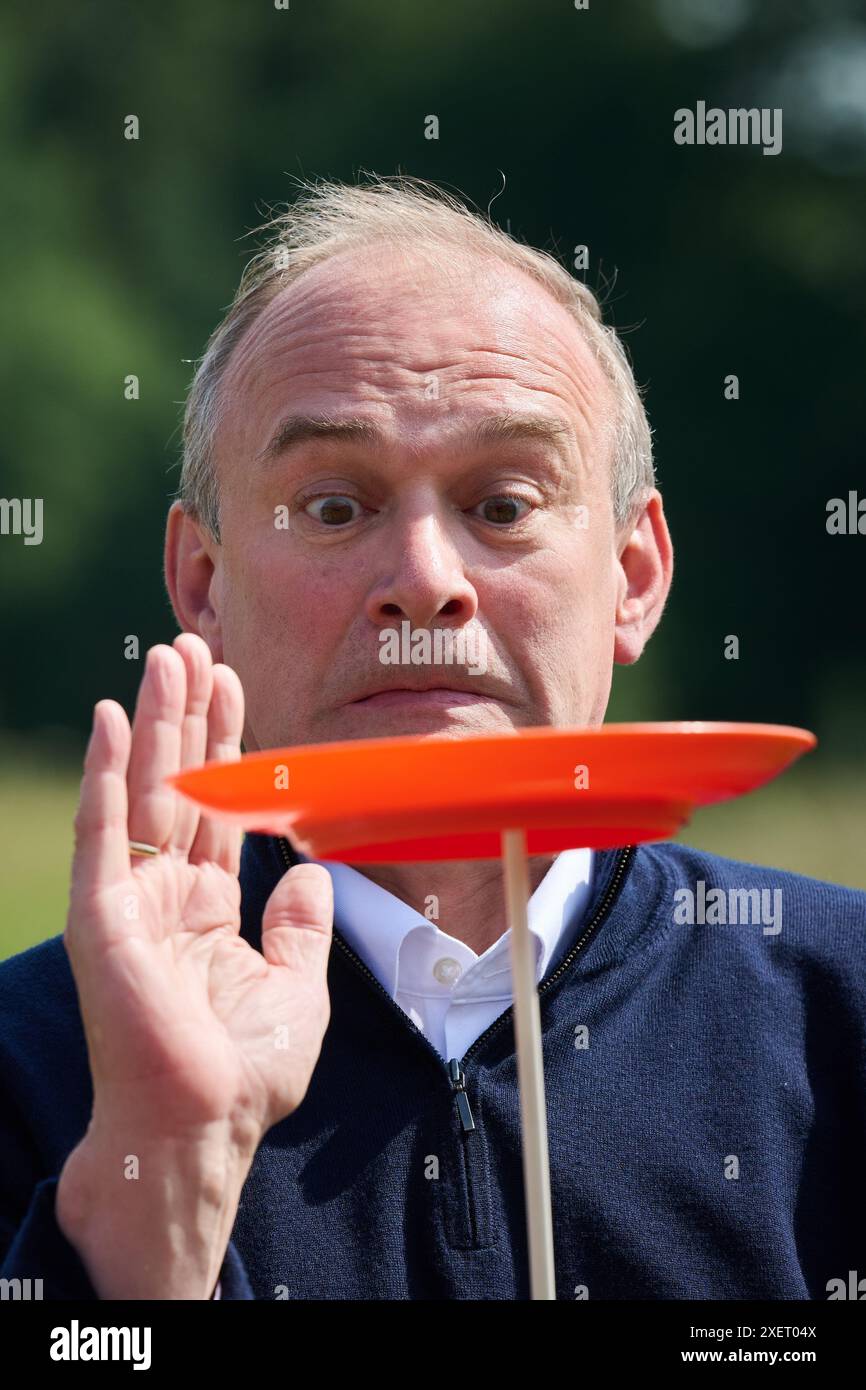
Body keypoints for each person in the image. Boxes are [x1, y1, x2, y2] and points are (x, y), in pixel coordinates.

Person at [2, 175, 864, 1301]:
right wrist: (155, 1186)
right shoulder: (33, 1063)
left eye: (501, 504)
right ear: (203, 583)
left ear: (632, 578)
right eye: (333, 507)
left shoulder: (838, 1011)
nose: (424, 581)